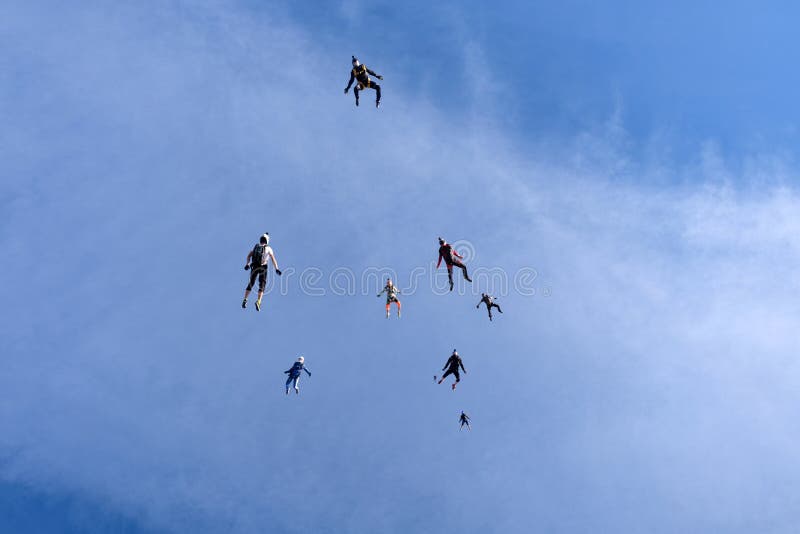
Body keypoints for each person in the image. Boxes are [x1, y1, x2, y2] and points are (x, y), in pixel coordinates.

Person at [242, 233, 282, 311]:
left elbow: (249, 255)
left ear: (261, 239)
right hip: (263, 267)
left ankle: (245, 299)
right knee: (262, 285)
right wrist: (276, 268)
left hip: (254, 266)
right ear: (267, 241)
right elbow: (273, 259)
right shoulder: (269, 248)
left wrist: (247, 264)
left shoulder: (256, 247)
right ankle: (258, 301)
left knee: (251, 283)